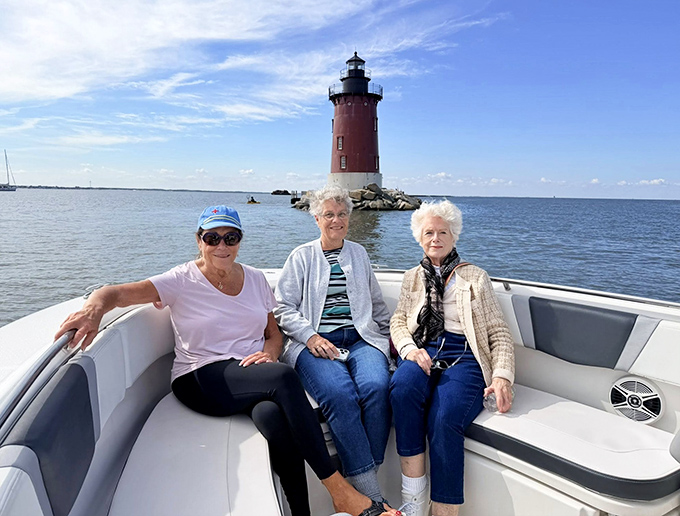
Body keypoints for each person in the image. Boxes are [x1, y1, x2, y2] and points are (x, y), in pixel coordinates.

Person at [55, 205, 395, 516]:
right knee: (283, 379)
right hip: (200, 378)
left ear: (239, 240)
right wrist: (92, 312)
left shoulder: (256, 279)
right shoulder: (180, 279)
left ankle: (301, 513)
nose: (222, 245)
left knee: (274, 419)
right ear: (199, 240)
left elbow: (273, 334)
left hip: (248, 376)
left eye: (230, 237)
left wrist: (271, 354)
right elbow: (114, 293)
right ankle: (339, 491)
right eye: (212, 237)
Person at [389, 200, 515, 516]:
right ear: (419, 237)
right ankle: (413, 500)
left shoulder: (475, 277)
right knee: (401, 389)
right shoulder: (412, 277)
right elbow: (399, 321)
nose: (436, 238)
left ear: (453, 236)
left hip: (465, 355)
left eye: (442, 232)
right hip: (423, 349)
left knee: (444, 418)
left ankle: (444, 511)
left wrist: (502, 376)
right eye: (429, 232)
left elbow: (498, 332)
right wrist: (408, 349)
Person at [274, 185, 393, 507]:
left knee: (377, 386)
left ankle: (364, 481)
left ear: (349, 218)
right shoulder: (302, 256)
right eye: (329, 214)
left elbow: (377, 304)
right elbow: (282, 307)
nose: (336, 220)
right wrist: (311, 337)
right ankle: (372, 498)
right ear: (316, 219)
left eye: (342, 214)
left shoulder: (359, 254)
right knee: (340, 395)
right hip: (313, 343)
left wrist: (391, 341)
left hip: (361, 338)